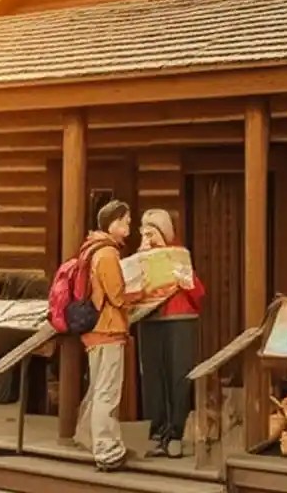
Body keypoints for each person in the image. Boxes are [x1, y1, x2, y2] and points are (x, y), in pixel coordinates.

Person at [136, 208, 205, 459]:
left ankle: (175, 433)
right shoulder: (140, 258)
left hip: (179, 320)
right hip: (149, 320)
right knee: (153, 376)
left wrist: (185, 281)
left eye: (152, 232)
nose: (148, 237)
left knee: (178, 375)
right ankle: (157, 433)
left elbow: (198, 293)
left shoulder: (179, 256)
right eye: (144, 232)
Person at [76, 199, 137, 471]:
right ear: (111, 223)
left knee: (99, 390)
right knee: (107, 394)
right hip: (108, 330)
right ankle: (107, 451)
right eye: (124, 221)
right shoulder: (108, 254)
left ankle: (99, 443)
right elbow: (117, 295)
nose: (128, 226)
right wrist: (141, 293)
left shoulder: (92, 249)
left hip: (95, 332)